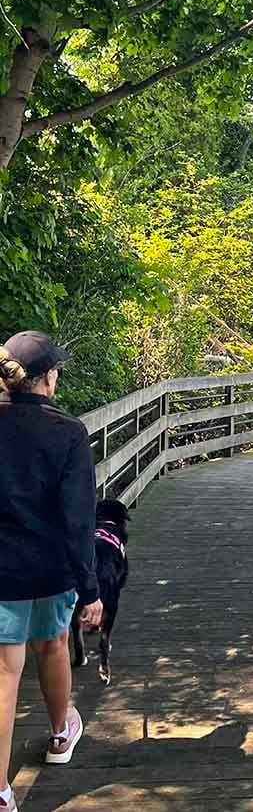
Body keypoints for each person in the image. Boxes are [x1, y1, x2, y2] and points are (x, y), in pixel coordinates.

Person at [0, 332, 102, 811]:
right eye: (56, 369)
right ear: (45, 379)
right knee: (54, 644)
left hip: (3, 570)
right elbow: (78, 519)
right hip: (52, 568)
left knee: (4, 673)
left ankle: (2, 793)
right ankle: (61, 735)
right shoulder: (67, 432)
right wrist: (90, 588)